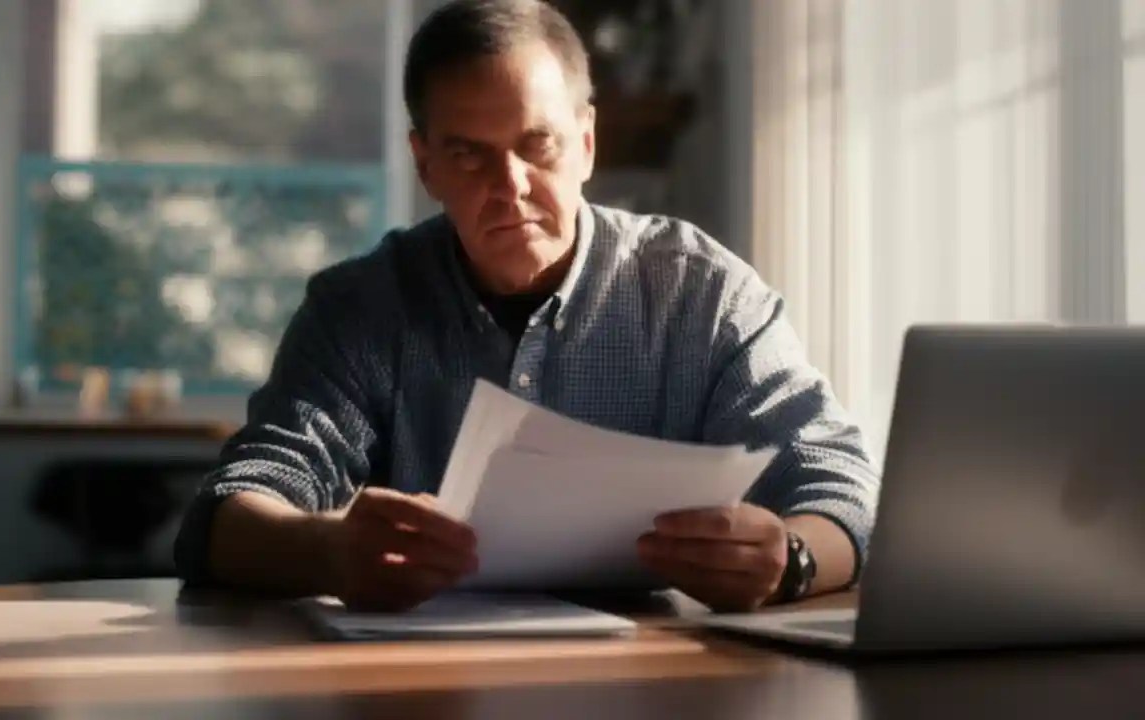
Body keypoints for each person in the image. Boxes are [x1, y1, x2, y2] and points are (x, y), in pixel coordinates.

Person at [175, 0, 878, 612]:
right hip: (416, 691)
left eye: (537, 145)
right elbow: (228, 512)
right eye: (469, 154)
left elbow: (845, 490)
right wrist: (327, 549)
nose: (510, 185)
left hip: (655, 681)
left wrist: (791, 560)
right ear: (426, 166)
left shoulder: (702, 295)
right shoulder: (360, 308)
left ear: (586, 143)